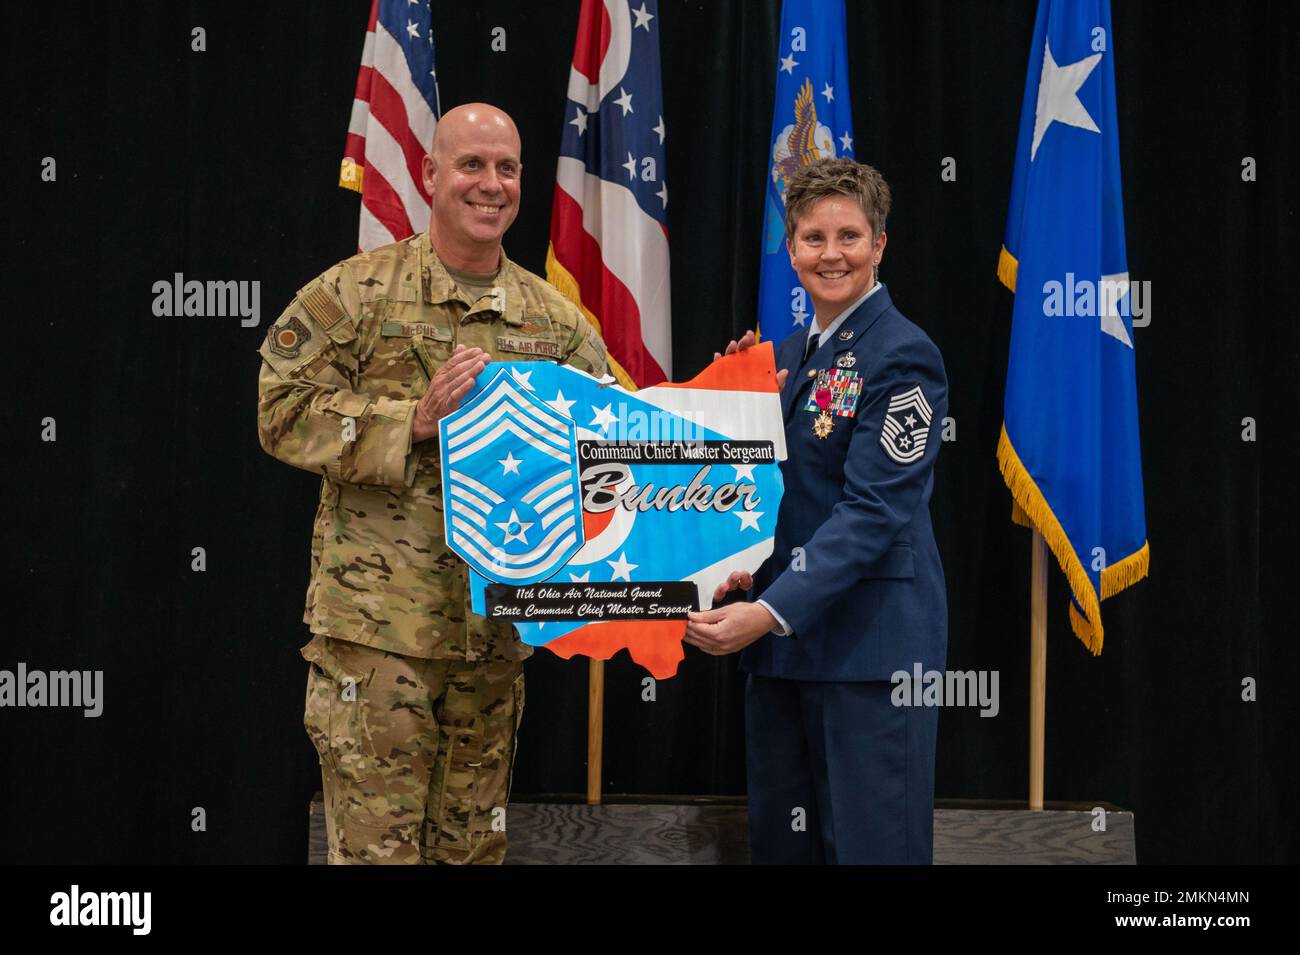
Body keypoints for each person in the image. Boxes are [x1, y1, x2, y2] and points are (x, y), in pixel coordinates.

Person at [257, 103, 608, 865]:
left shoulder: (557, 324)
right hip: (380, 640)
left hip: (494, 641)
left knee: (472, 858)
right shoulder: (356, 295)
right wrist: (408, 420)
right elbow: (279, 410)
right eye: (471, 165)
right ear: (429, 174)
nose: (491, 184)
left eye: (507, 168)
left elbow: (620, 448)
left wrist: (726, 393)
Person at [685, 157, 948, 864]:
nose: (831, 253)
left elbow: (871, 512)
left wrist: (766, 611)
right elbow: (786, 497)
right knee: (783, 853)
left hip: (869, 654)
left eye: (849, 236)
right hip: (781, 653)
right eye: (812, 237)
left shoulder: (904, 355)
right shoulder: (793, 355)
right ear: (792, 248)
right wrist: (743, 568)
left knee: (870, 853)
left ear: (880, 245)